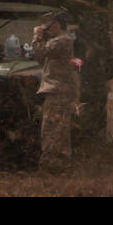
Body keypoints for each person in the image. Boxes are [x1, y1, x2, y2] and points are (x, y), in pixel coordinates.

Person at [31, 9, 79, 172]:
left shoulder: (61, 40)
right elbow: (39, 57)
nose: (46, 29)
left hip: (57, 90)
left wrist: (37, 36)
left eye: (48, 26)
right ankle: (60, 163)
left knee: (51, 127)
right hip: (59, 89)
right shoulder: (61, 40)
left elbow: (40, 53)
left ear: (57, 24)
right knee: (60, 127)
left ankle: (51, 163)